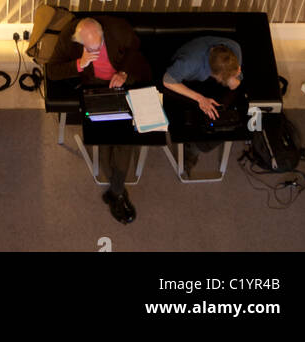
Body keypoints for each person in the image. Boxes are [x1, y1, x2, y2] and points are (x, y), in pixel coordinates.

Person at [46, 14, 151, 224]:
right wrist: (79, 63)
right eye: (90, 49)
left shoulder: (118, 29)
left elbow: (135, 50)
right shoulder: (69, 37)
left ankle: (116, 191)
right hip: (94, 86)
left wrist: (123, 72)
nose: (95, 52)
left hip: (122, 82)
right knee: (103, 138)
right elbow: (52, 71)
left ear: (103, 35)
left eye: (98, 47)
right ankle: (117, 191)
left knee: (125, 138)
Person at [162, 37, 243, 176]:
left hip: (209, 81)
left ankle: (194, 148)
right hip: (185, 80)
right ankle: (190, 150)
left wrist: (233, 78)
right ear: (214, 74)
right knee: (191, 121)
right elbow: (167, 80)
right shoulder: (190, 62)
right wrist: (200, 98)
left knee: (227, 124)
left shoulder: (234, 49)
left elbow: (236, 82)